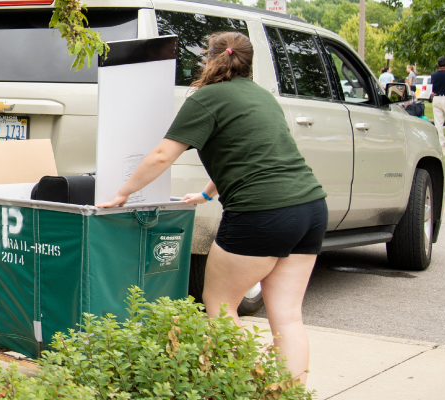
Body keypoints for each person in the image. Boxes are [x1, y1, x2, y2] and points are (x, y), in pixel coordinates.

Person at [95, 32, 326, 385]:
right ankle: (286, 394)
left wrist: (122, 193)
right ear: (248, 62)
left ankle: (241, 386)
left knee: (219, 304)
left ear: (210, 59)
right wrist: (205, 194)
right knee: (288, 317)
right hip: (310, 207)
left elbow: (161, 155)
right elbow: (253, 152)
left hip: (261, 213)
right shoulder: (263, 98)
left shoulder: (206, 98)